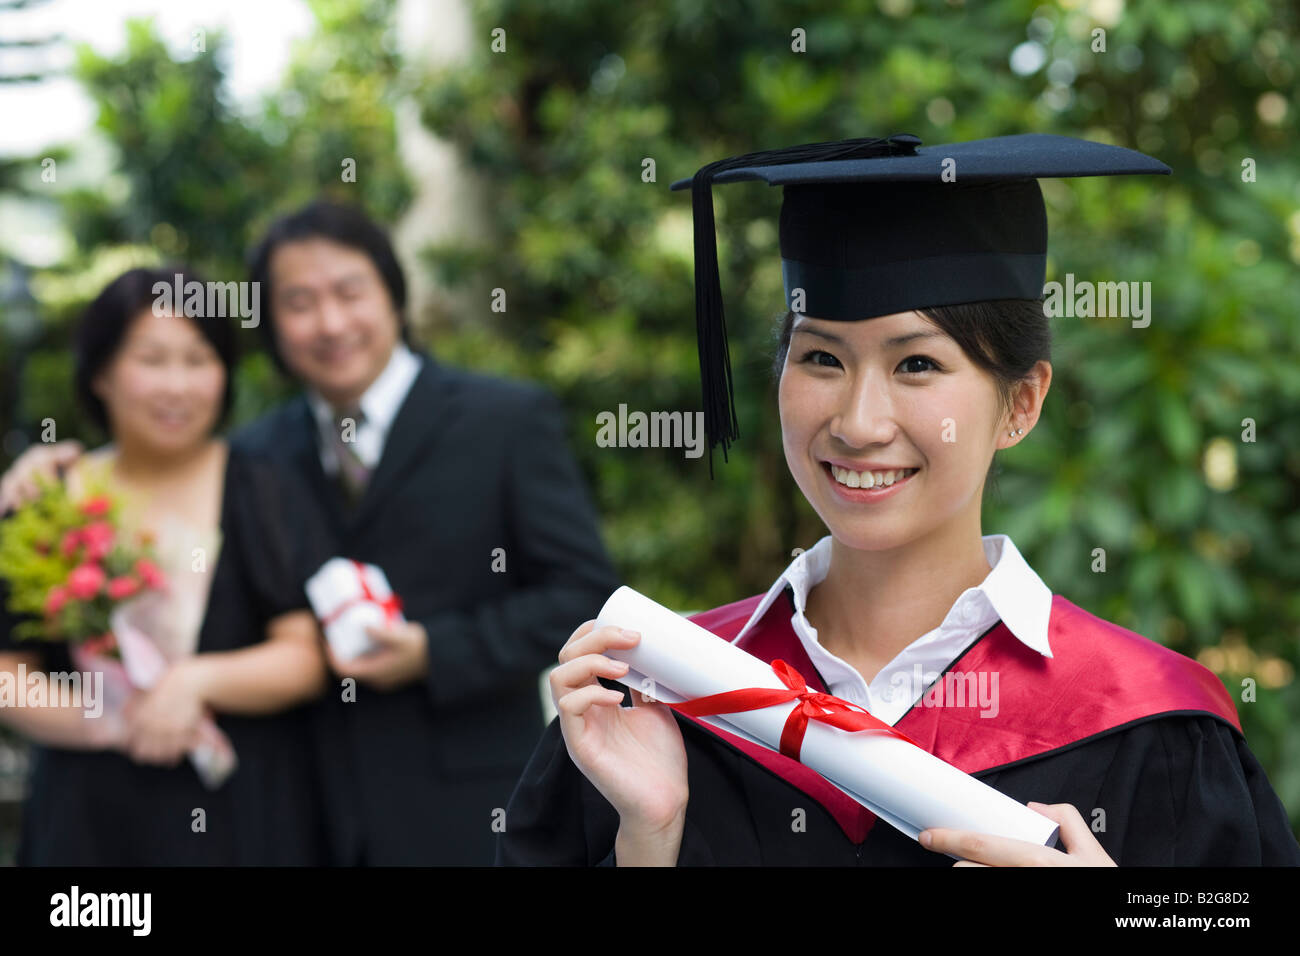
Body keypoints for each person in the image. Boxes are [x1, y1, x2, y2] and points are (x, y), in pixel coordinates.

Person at [497, 133, 1300, 866]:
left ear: (1021, 404)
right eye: (821, 359)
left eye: (917, 365)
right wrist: (648, 837)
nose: (857, 422)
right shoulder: (665, 696)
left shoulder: (1153, 723)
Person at [1, 201, 620, 864]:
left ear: (394, 296)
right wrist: (47, 467)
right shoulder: (261, 450)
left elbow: (582, 594)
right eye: (298, 302)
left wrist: (431, 651)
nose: (330, 323)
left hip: (464, 807)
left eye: (350, 292)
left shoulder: (505, 421)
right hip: (302, 810)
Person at [0, 266, 331, 865]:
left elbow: (304, 656)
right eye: (152, 360)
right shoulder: (45, 499)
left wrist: (193, 681)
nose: (177, 386)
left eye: (199, 359)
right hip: (87, 825)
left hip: (240, 817)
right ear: (100, 372)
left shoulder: (263, 489)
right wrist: (112, 721)